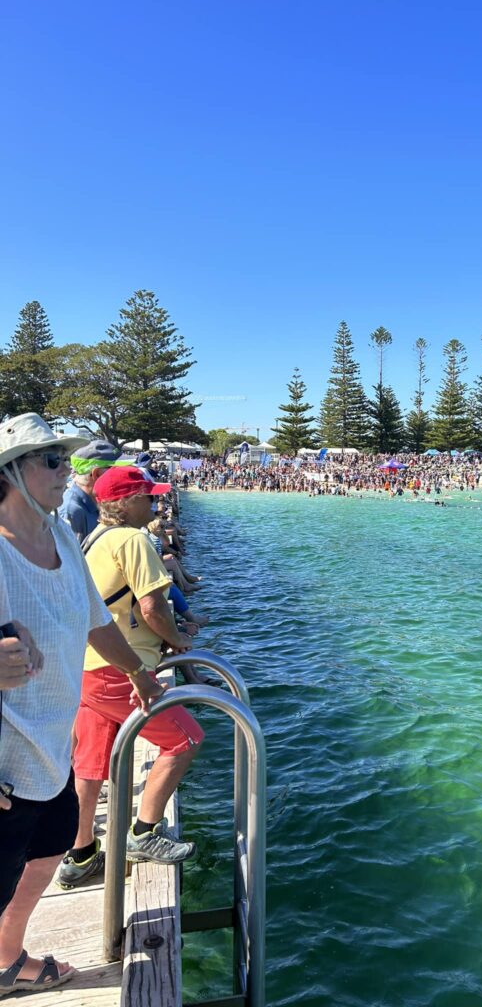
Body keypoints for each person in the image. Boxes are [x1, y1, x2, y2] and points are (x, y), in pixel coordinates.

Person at [0, 413, 164, 995]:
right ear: (12, 470)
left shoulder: (64, 536)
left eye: (64, 459)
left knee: (44, 860)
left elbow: (96, 620)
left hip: (51, 747)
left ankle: (7, 960)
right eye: (50, 460)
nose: (64, 469)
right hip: (4, 766)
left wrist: (139, 673)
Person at [59, 466, 204, 889]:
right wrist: (178, 642)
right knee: (186, 738)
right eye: (147, 497)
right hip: (120, 668)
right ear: (124, 503)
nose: (156, 504)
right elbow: (152, 608)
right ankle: (143, 833)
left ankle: (81, 851)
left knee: (89, 766)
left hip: (87, 664)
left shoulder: (95, 539)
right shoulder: (133, 539)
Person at [59, 440, 129, 544]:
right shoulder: (72, 511)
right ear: (96, 474)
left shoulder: (95, 502)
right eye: (116, 471)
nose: (122, 477)